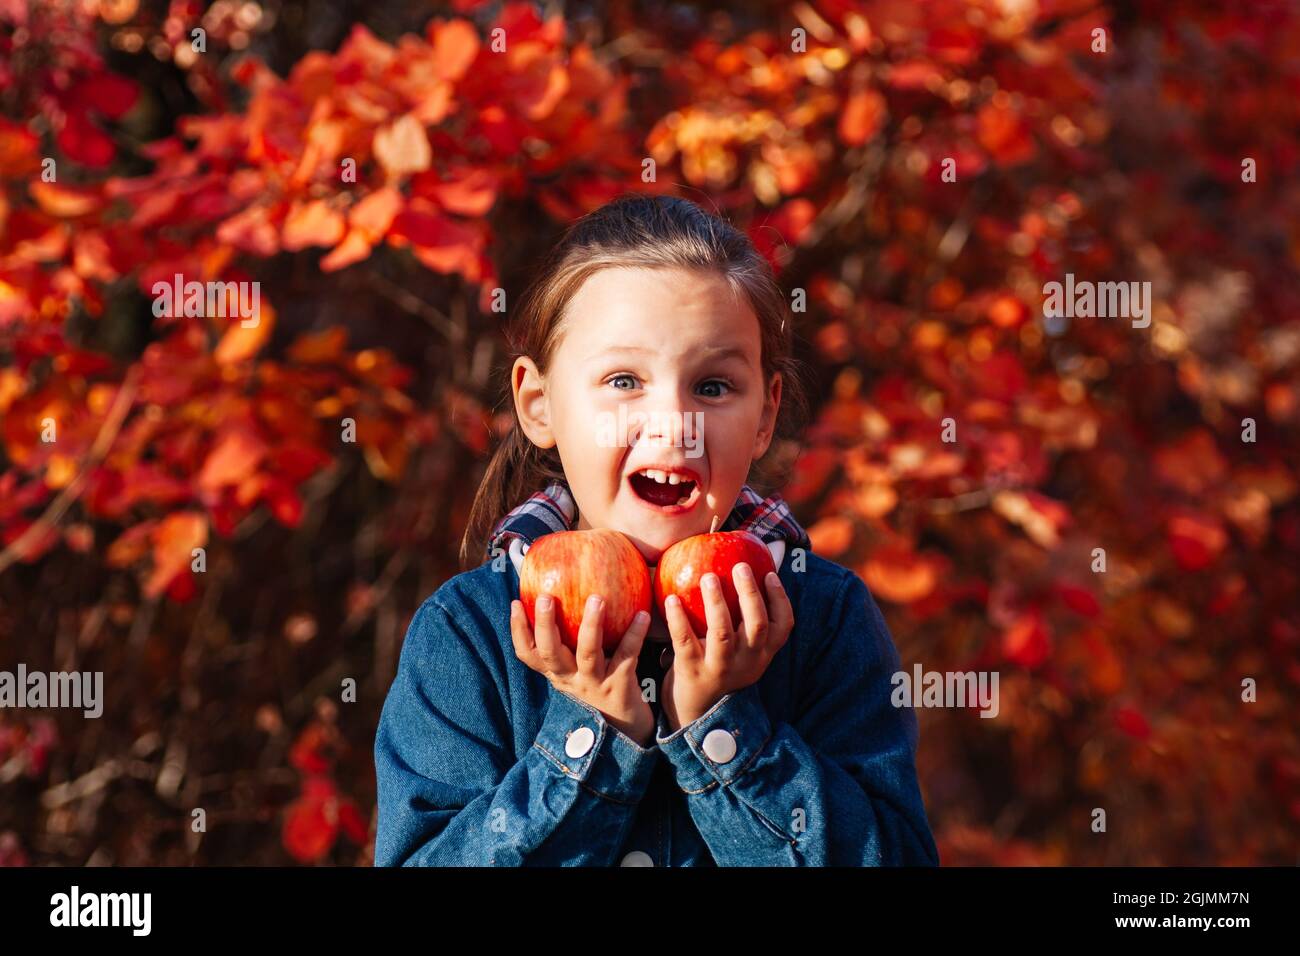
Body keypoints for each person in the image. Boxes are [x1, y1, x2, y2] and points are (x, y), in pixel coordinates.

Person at [374, 194, 940, 866]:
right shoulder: (470, 632)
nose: (675, 426)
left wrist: (724, 729)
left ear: (765, 416)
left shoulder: (823, 619)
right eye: (623, 380)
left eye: (713, 387)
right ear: (538, 404)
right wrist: (594, 735)